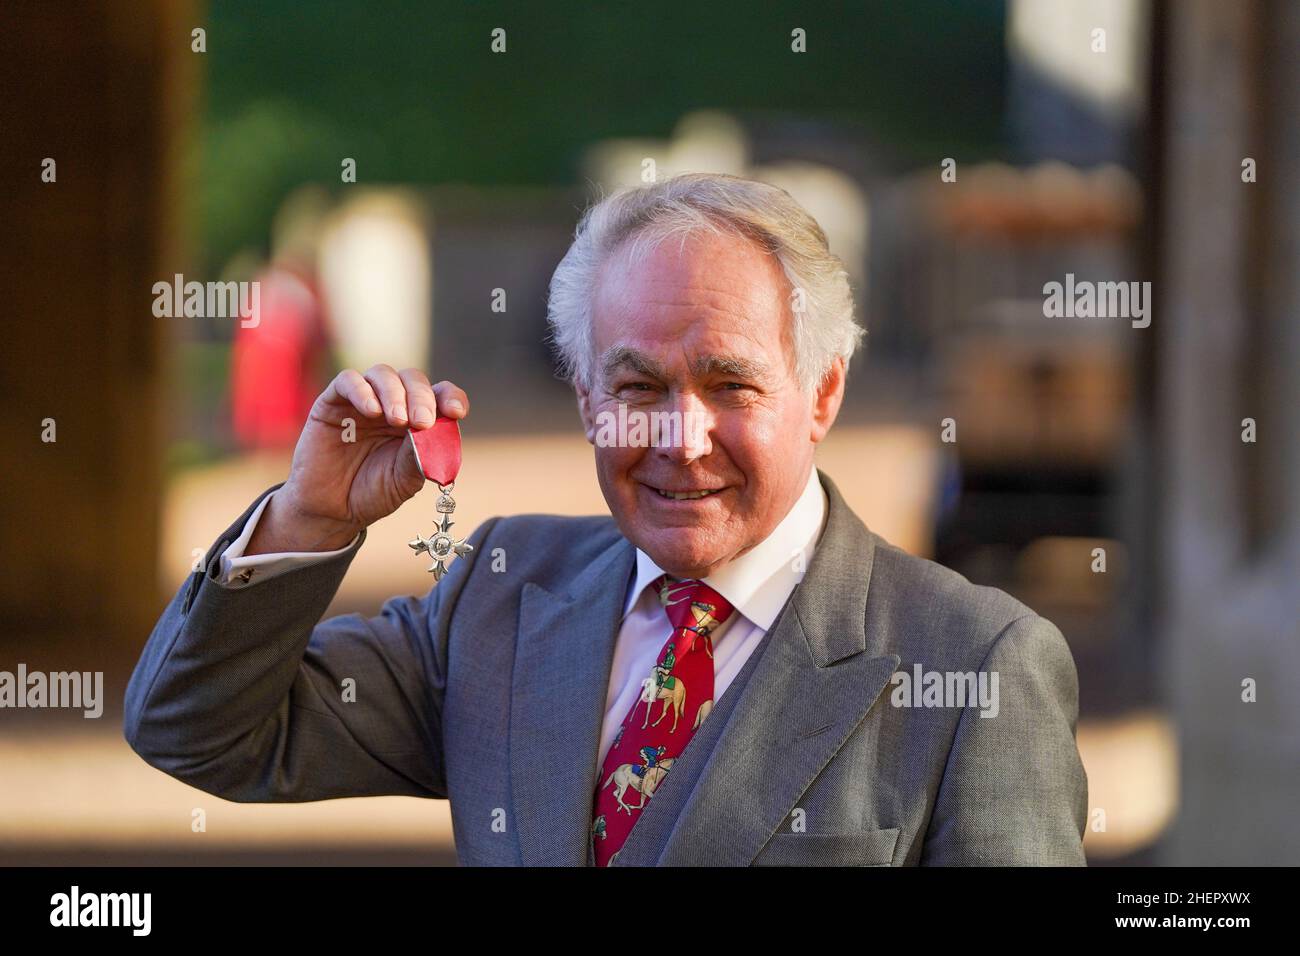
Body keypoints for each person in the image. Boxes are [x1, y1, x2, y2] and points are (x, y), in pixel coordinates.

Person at [125, 173, 1087, 866]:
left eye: (729, 384)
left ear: (822, 393)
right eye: (637, 385)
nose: (682, 436)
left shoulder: (974, 663)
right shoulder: (505, 591)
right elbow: (197, 731)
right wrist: (309, 514)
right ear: (587, 396)